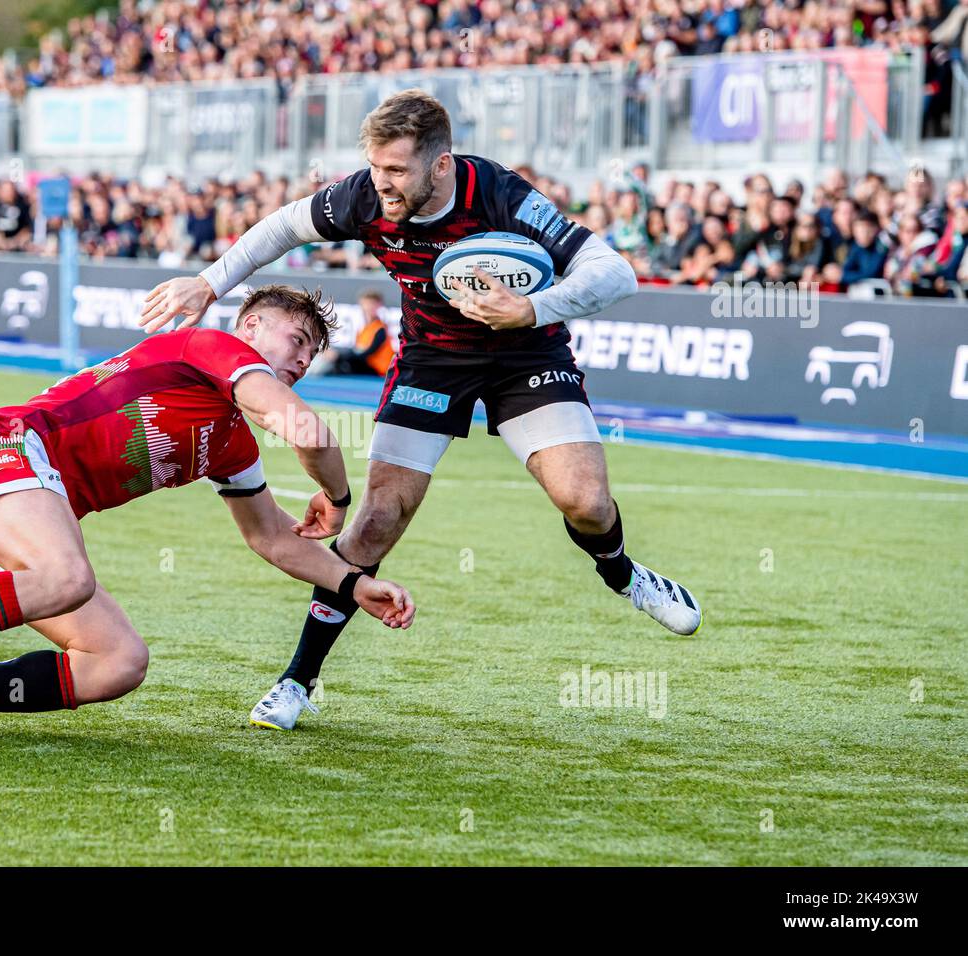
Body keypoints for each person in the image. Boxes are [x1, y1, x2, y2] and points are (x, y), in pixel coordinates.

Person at [140, 88, 702, 732]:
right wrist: (210, 282)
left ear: (441, 165)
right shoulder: (362, 194)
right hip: (434, 359)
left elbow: (616, 273)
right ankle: (298, 680)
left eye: (398, 171)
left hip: (526, 354)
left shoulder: (502, 195)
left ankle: (623, 573)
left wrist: (533, 309)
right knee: (378, 520)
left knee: (587, 503)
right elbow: (283, 227)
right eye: (377, 169)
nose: (382, 185)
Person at [0, 285, 416, 745]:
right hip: (3, 447)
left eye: (312, 354)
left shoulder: (235, 443)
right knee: (69, 576)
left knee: (118, 663)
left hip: (26, 502)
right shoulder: (211, 346)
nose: (304, 360)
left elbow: (274, 541)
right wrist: (337, 502)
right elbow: (306, 429)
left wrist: (357, 584)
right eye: (297, 341)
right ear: (252, 325)